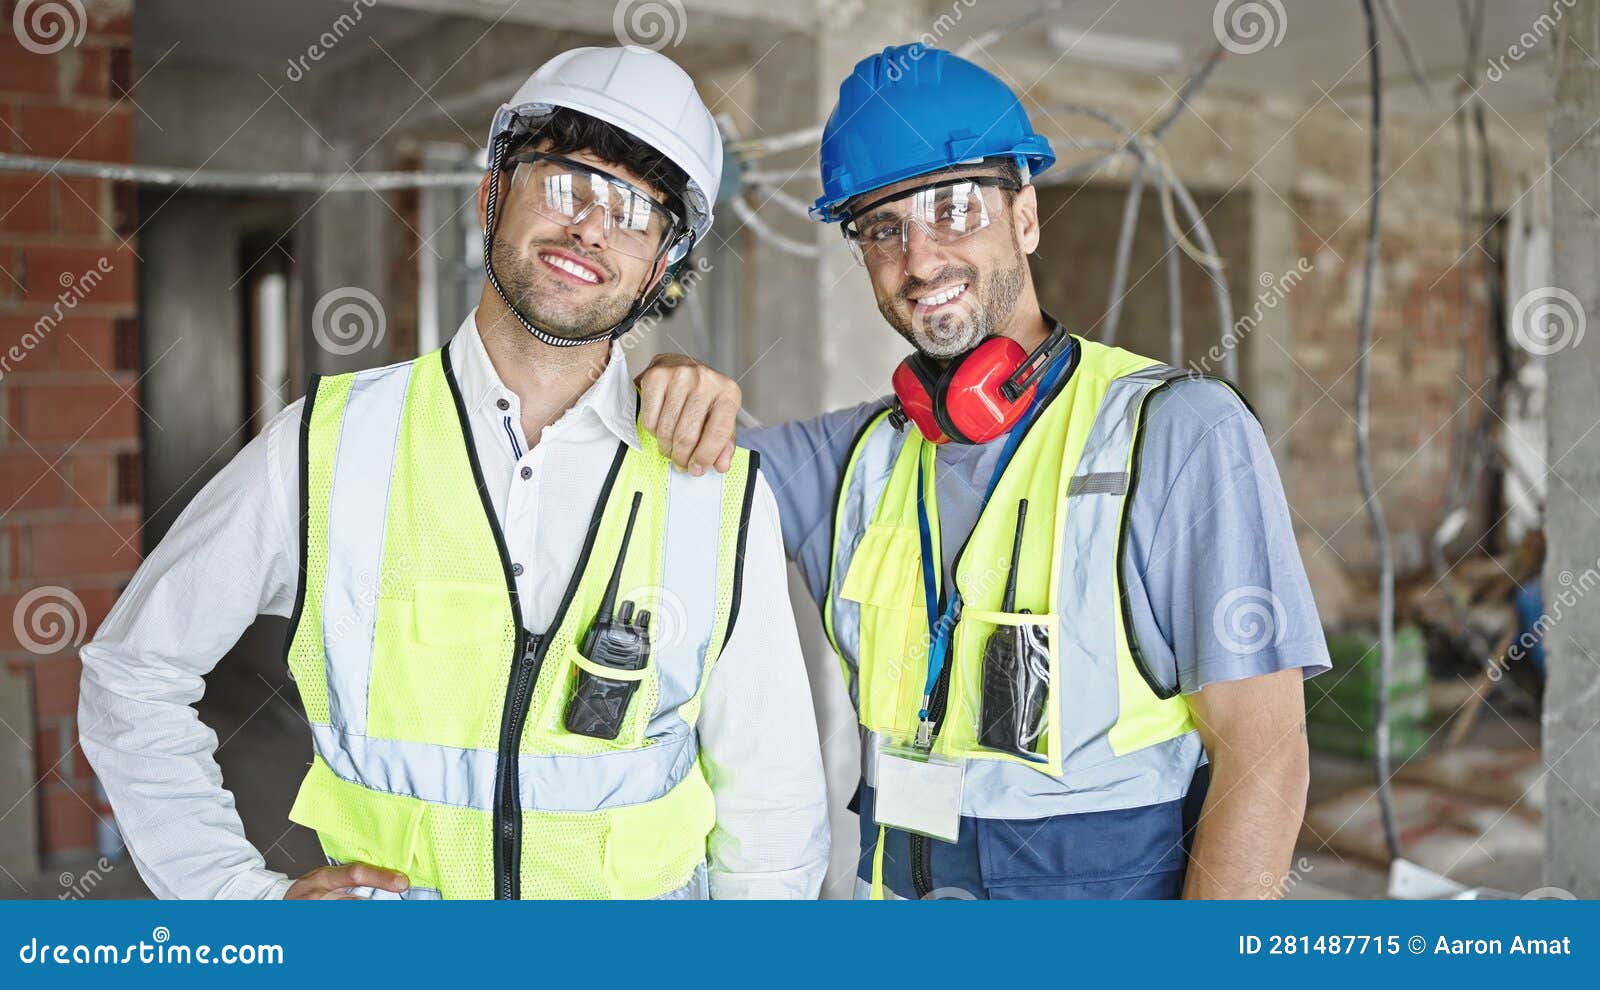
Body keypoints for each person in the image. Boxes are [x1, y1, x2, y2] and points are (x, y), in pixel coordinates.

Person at [78, 46, 828, 900]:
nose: (590, 228)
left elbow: (773, 809)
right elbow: (132, 675)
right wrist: (235, 900)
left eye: (634, 211)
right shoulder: (326, 447)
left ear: (660, 264)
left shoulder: (714, 487)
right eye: (564, 183)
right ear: (491, 194)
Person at [641, 44, 1328, 899]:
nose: (920, 260)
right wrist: (658, 381)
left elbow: (1265, 758)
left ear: (1026, 216)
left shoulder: (1175, 434)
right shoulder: (848, 462)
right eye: (882, 228)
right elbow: (640, 474)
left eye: (954, 208)